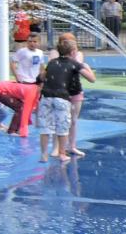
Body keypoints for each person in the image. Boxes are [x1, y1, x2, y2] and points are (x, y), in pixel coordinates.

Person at [38, 34, 95, 162]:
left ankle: (44, 154)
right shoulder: (74, 63)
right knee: (63, 126)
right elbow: (92, 79)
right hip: (62, 97)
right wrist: (87, 68)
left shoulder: (53, 62)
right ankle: (62, 153)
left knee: (46, 127)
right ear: (72, 50)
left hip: (48, 96)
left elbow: (41, 77)